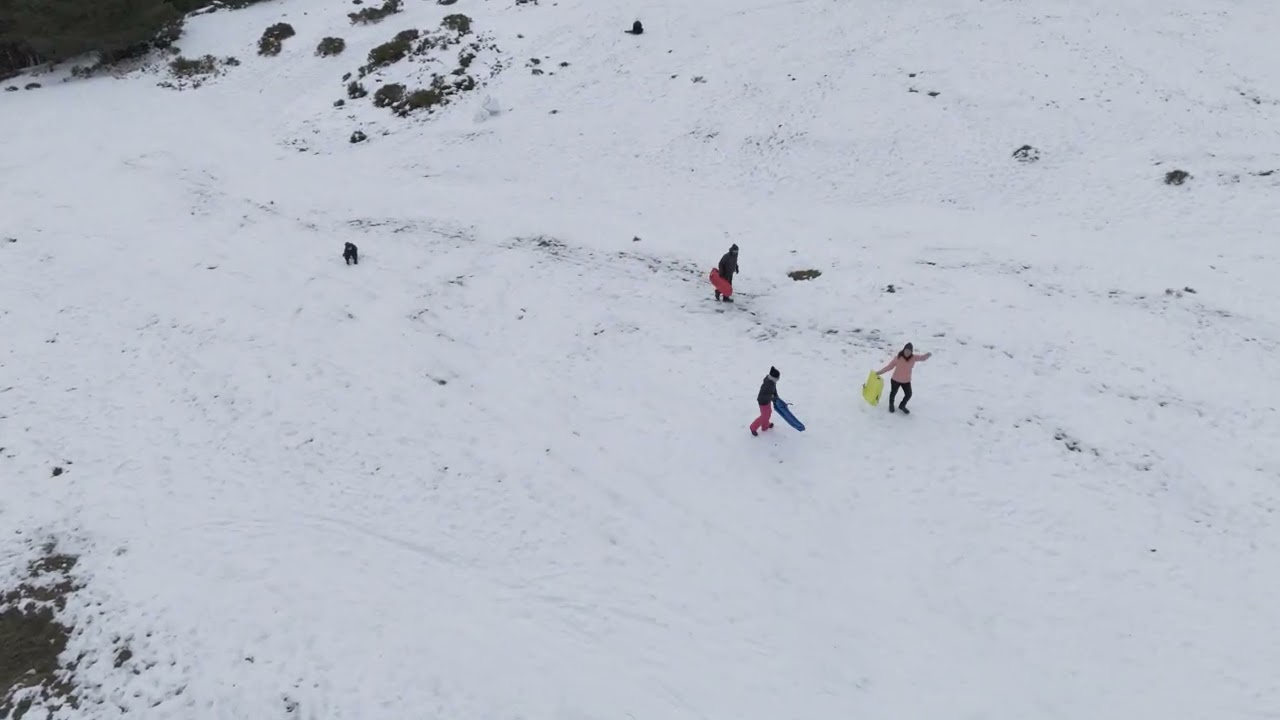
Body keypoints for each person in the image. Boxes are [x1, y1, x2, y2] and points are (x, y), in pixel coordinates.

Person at [875, 343, 931, 414]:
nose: (907, 352)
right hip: (895, 379)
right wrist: (880, 372)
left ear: (911, 351)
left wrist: (928, 355)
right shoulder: (898, 358)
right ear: (904, 350)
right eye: (906, 350)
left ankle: (902, 405)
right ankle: (891, 405)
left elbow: (922, 358)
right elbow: (889, 367)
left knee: (908, 394)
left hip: (906, 381)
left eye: (909, 351)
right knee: (893, 393)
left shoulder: (913, 358)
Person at [750, 366, 780, 435]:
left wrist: (776, 396)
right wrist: (772, 398)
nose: (778, 379)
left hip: (767, 401)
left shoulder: (772, 382)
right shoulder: (768, 385)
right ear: (774, 378)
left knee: (768, 413)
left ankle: (765, 426)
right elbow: (765, 395)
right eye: (777, 378)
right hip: (763, 401)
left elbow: (774, 390)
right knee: (764, 415)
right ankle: (753, 427)